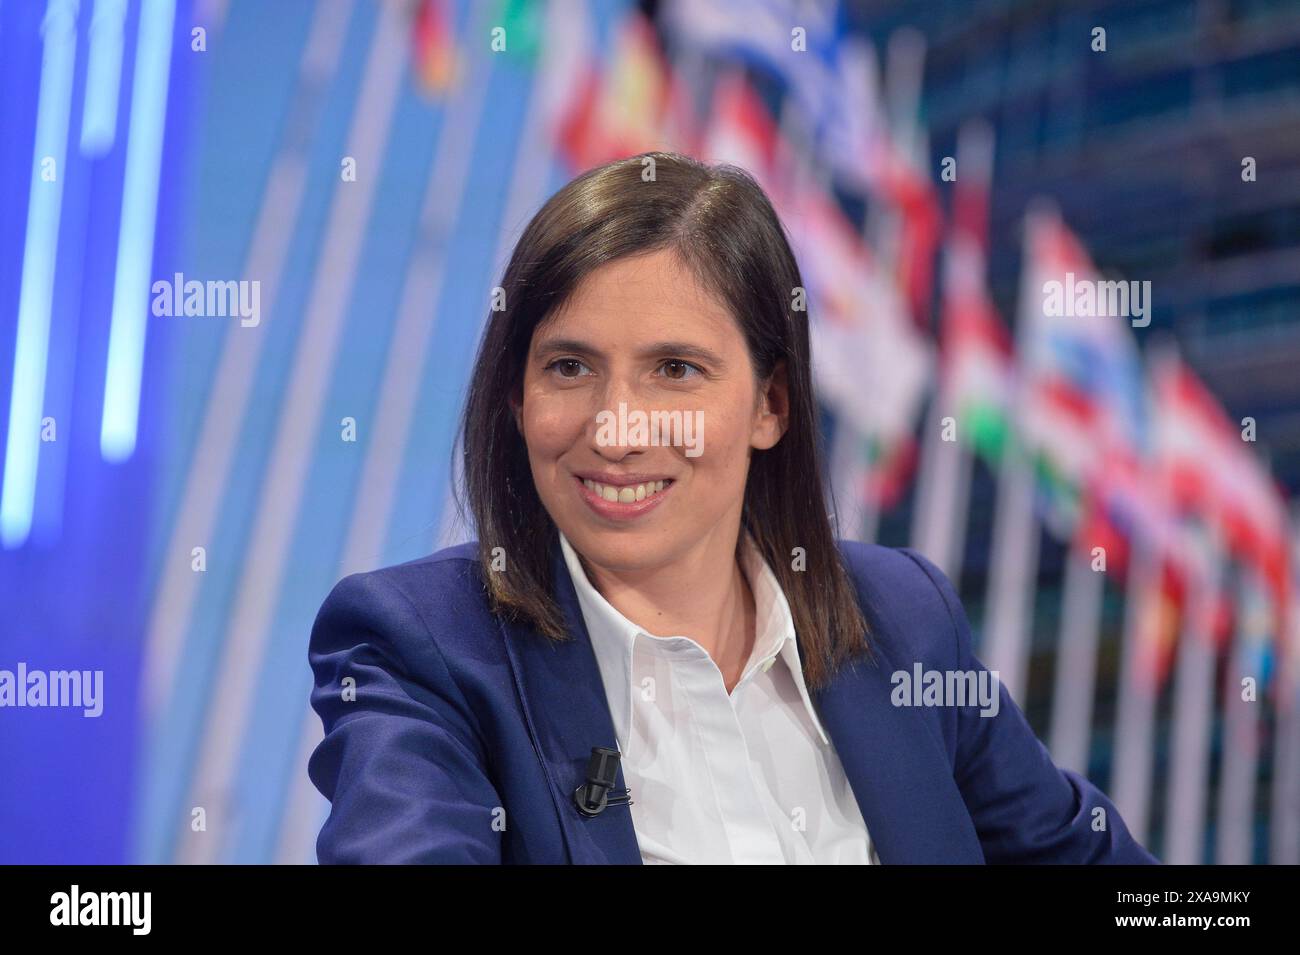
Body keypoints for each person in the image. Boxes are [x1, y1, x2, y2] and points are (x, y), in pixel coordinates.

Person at [306, 151, 1159, 865]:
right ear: (516, 398)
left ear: (771, 405)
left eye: (675, 368)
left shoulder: (903, 618)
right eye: (569, 367)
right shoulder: (417, 644)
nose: (617, 429)